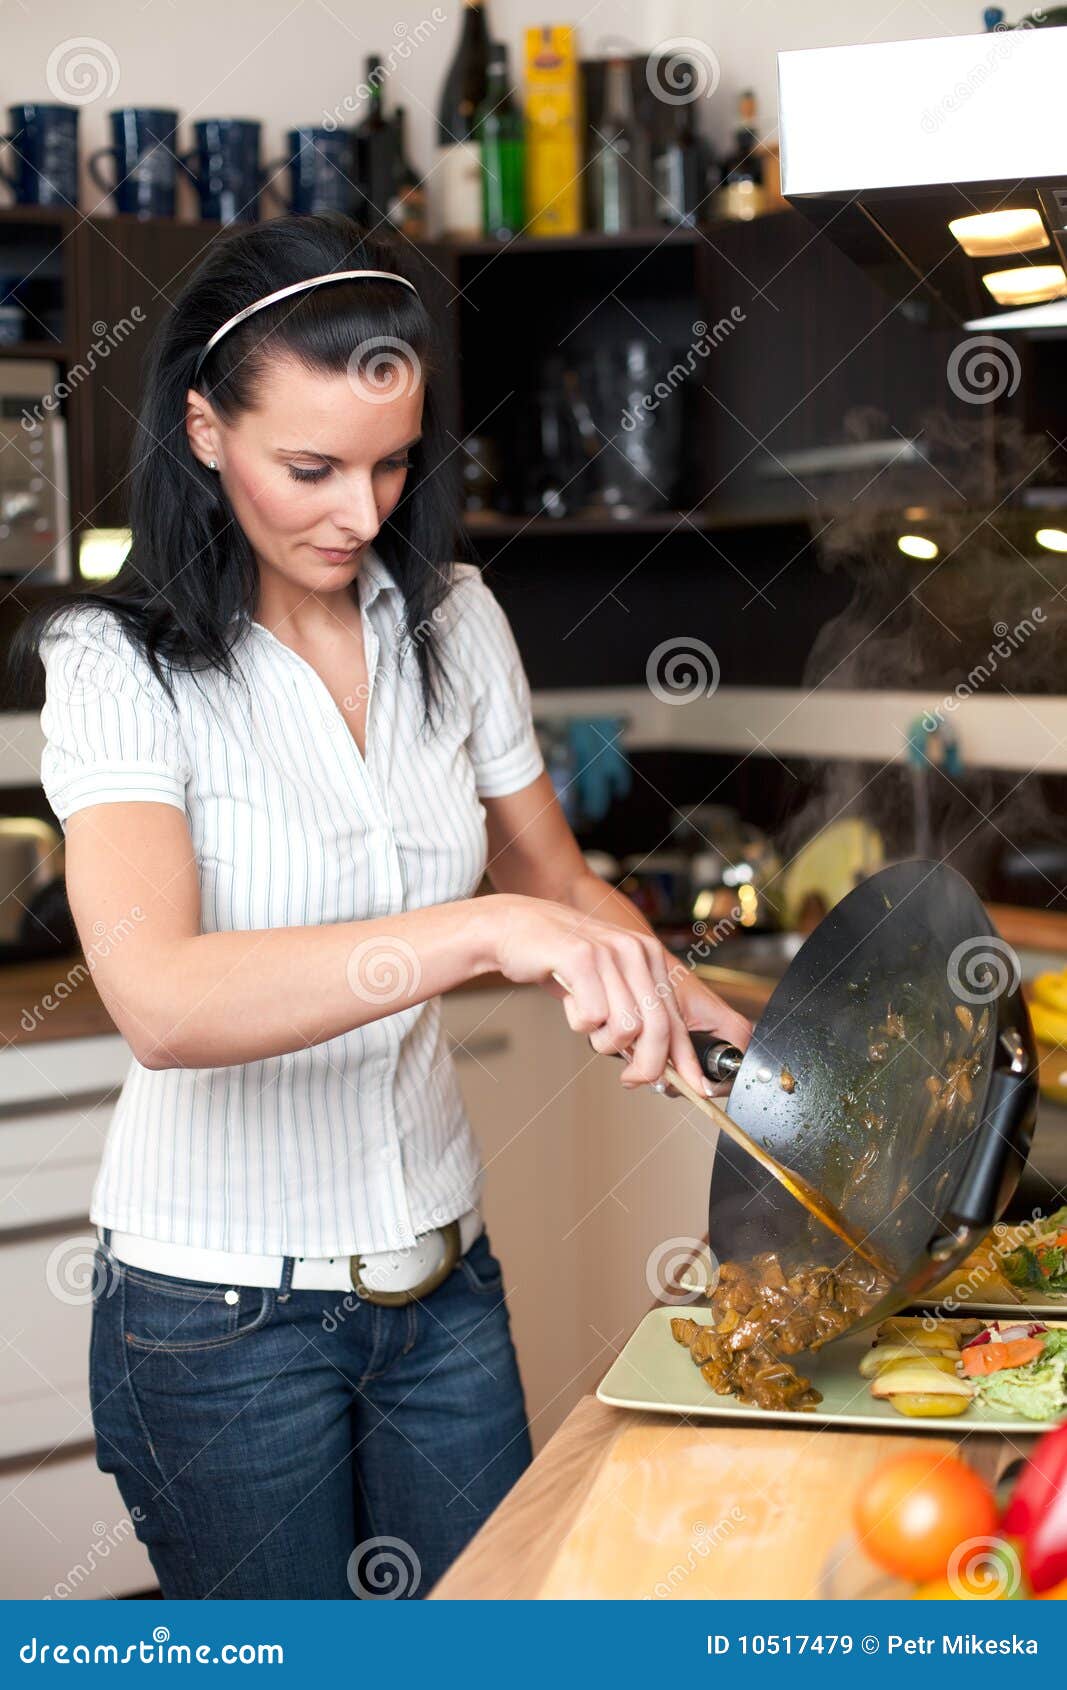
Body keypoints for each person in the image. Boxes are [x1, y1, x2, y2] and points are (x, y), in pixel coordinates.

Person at [15, 212, 749, 1600]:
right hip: (215, 1321)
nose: (362, 512)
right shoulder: (115, 663)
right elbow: (161, 1001)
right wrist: (483, 932)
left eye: (393, 461)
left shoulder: (452, 617)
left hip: (442, 1292)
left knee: (479, 1648)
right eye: (313, 468)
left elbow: (555, 883)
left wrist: (729, 1037)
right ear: (204, 429)